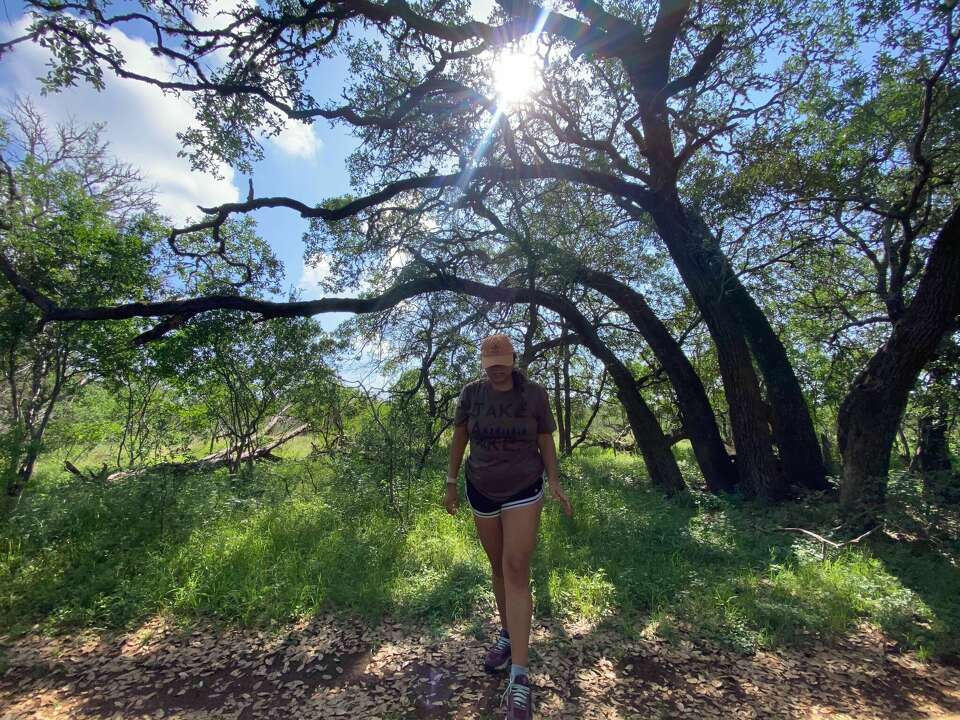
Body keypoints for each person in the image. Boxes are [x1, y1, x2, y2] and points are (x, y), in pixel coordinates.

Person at [444, 333, 573, 720]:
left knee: (516, 567)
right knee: (498, 565)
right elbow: (459, 438)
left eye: (502, 365)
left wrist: (554, 480)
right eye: (490, 366)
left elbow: (545, 438)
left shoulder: (533, 394)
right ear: (483, 364)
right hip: (481, 487)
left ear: (513, 362)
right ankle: (507, 631)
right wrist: (451, 483)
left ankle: (519, 675)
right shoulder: (471, 394)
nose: (496, 372)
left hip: (523, 486)